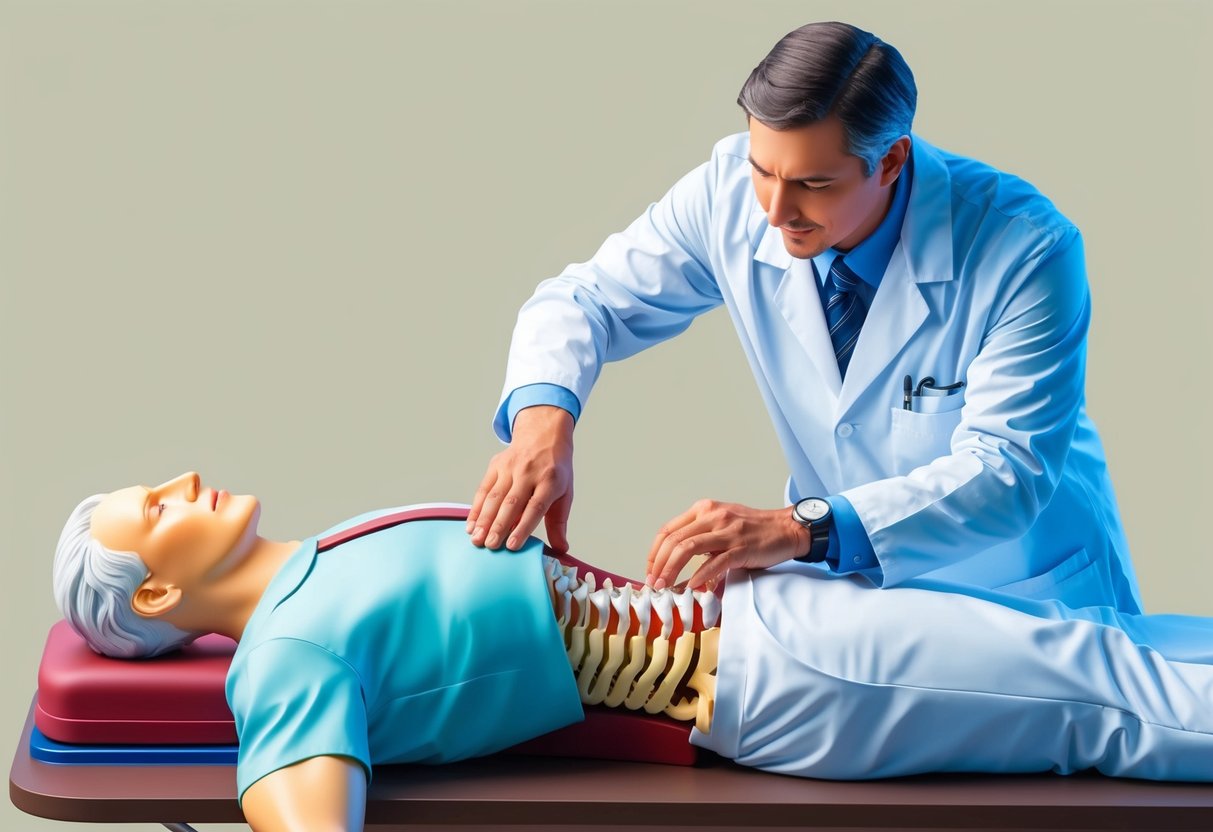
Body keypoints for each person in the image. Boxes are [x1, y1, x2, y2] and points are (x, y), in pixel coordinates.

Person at [50, 471, 1213, 832]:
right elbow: (303, 805)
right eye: (150, 507)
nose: (175, 482)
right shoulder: (285, 654)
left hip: (764, 608)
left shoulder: (327, 554)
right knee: (1094, 696)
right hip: (761, 680)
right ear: (159, 587)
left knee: (1102, 643)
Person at [468, 20, 1141, 613]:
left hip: (1027, 594)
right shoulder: (727, 196)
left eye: (813, 184)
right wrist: (541, 430)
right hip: (863, 601)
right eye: (764, 170)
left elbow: (1007, 470)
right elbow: (581, 301)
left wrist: (801, 529)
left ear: (891, 160)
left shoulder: (1025, 247)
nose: (774, 210)